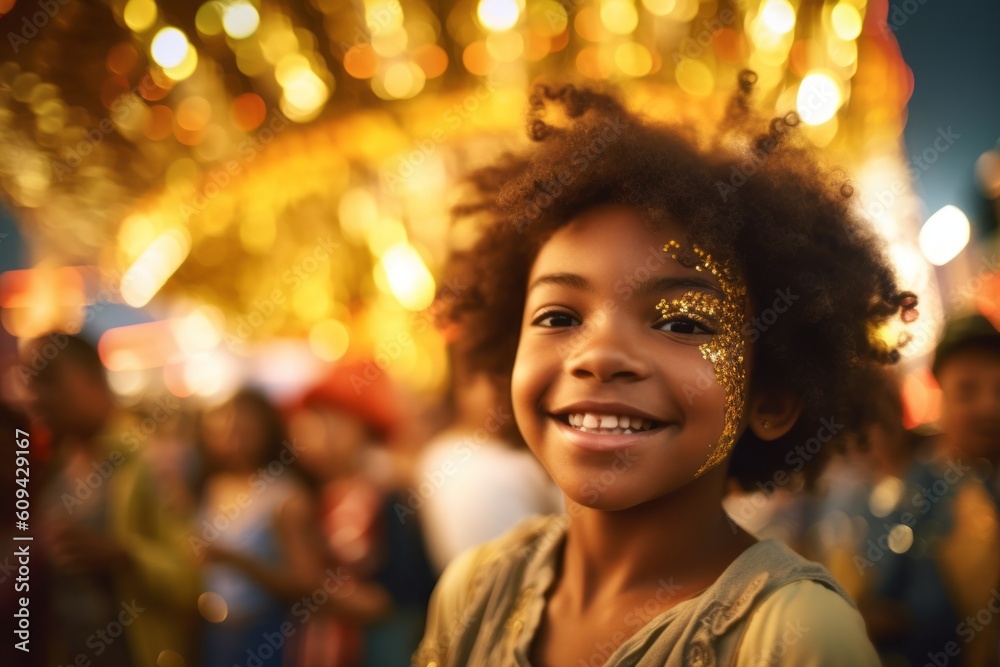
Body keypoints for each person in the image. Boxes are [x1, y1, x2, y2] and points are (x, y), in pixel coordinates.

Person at [413, 74, 917, 666]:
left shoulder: (796, 634)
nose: (597, 355)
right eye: (557, 316)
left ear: (773, 396)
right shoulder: (474, 588)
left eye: (682, 324)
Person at [23, 333, 199, 667]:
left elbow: (191, 579)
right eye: (27, 382)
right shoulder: (51, 465)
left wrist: (122, 555)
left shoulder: (151, 460)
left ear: (93, 377)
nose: (33, 397)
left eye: (47, 379)